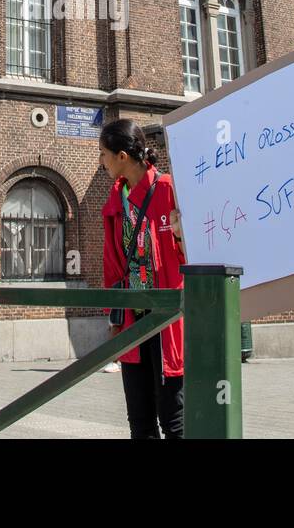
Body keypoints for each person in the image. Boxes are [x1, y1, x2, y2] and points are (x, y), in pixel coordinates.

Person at [98, 118, 186, 438]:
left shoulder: (166, 188)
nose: (101, 161)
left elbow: (191, 255)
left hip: (166, 320)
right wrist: (114, 317)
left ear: (122, 156)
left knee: (173, 419)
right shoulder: (115, 200)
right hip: (134, 321)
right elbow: (113, 265)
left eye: (104, 153)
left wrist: (180, 237)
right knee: (140, 420)